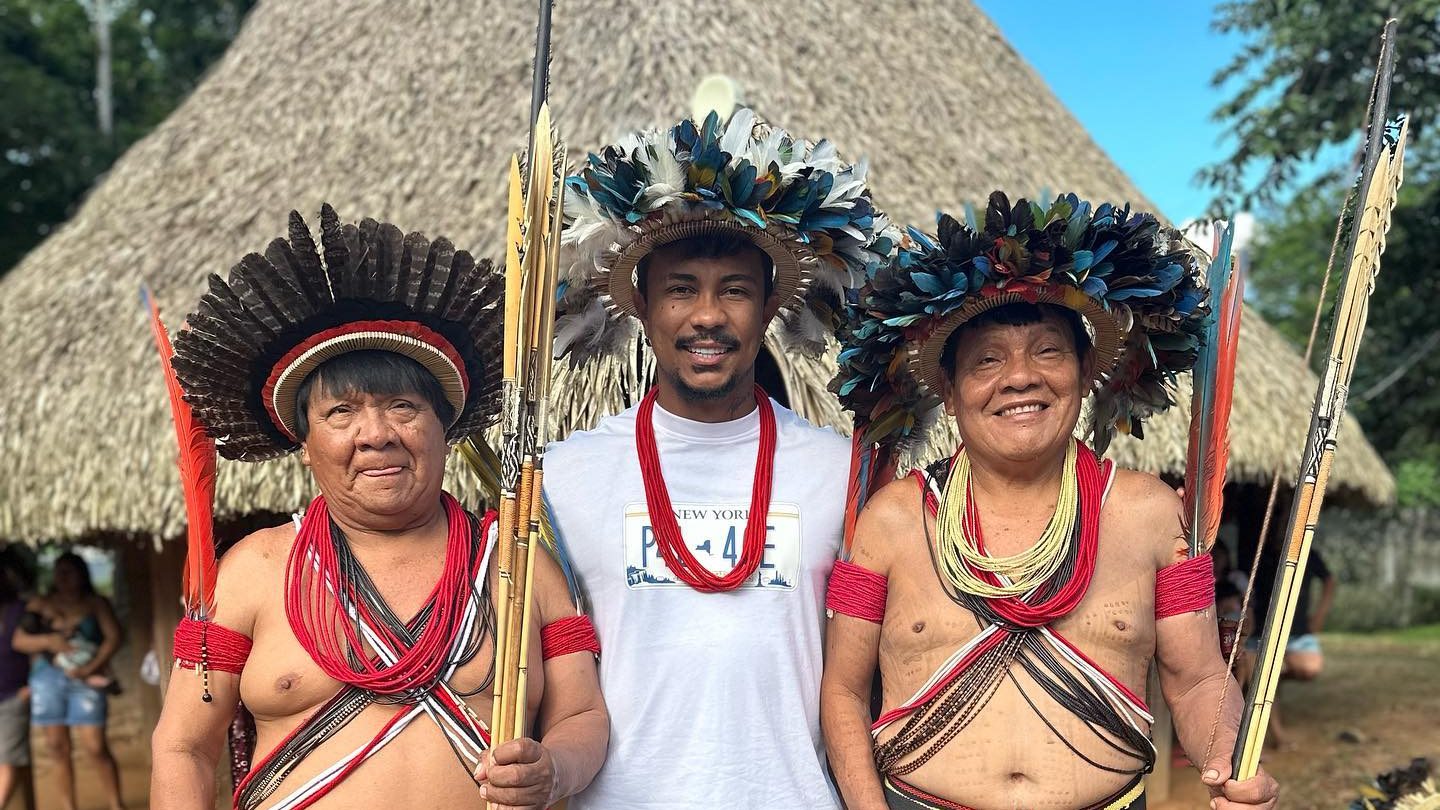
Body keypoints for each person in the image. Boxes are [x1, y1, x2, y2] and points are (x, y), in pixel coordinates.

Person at [823, 194, 1279, 810]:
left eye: (1047, 351)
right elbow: (844, 692)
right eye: (988, 360)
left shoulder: (1147, 512)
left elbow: (1197, 678)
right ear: (950, 393)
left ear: (1086, 370)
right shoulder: (894, 519)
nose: (1020, 378)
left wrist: (1227, 758)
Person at [148, 206, 609, 810]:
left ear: (445, 429)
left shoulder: (518, 567)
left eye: (403, 407)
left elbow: (581, 713)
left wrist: (556, 769)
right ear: (305, 445)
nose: (376, 435)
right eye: (341, 413)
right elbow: (184, 745)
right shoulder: (254, 571)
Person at [545, 108, 895, 808]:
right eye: (682, 290)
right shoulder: (560, 476)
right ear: (642, 306)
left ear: (768, 308)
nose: (707, 316)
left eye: (734, 290)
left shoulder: (843, 473)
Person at [14, 552, 124, 810]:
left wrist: (90, 668)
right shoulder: (41, 603)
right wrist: (48, 641)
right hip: (47, 679)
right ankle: (67, 806)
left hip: (86, 677)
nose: (62, 577)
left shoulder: (95, 603)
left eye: (68, 571)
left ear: (81, 574)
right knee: (56, 746)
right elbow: (19, 640)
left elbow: (113, 638)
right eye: (58, 571)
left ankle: (116, 804)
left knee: (95, 746)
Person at [0, 552, 35, 810]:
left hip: (13, 696)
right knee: (12, 761)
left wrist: (32, 685)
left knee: (8, 761)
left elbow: (42, 648)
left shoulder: (20, 611)